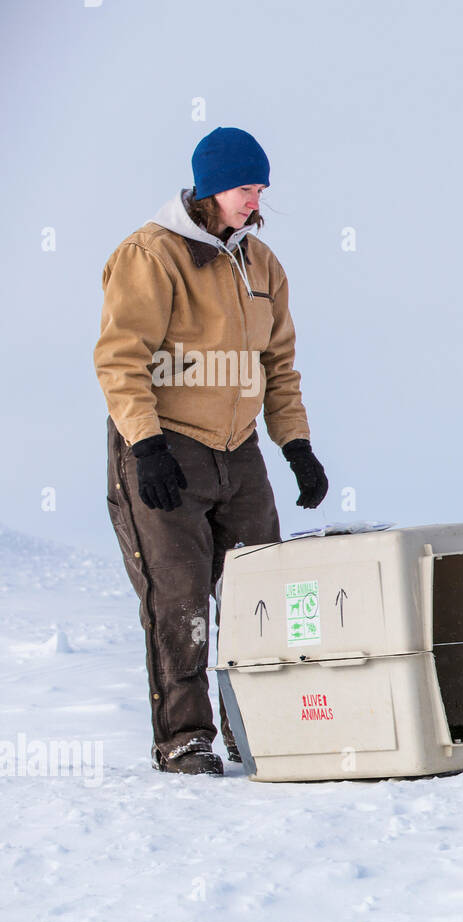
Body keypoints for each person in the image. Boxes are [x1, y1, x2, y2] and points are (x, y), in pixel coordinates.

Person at [94, 126, 329, 776]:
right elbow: (120, 359)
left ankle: (256, 730)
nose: (254, 201)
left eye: (260, 190)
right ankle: (185, 740)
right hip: (165, 448)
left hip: (239, 450)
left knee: (262, 594)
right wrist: (145, 446)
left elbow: (278, 363)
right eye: (243, 189)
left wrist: (297, 444)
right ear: (208, 190)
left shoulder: (262, 265)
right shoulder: (152, 255)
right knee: (180, 599)